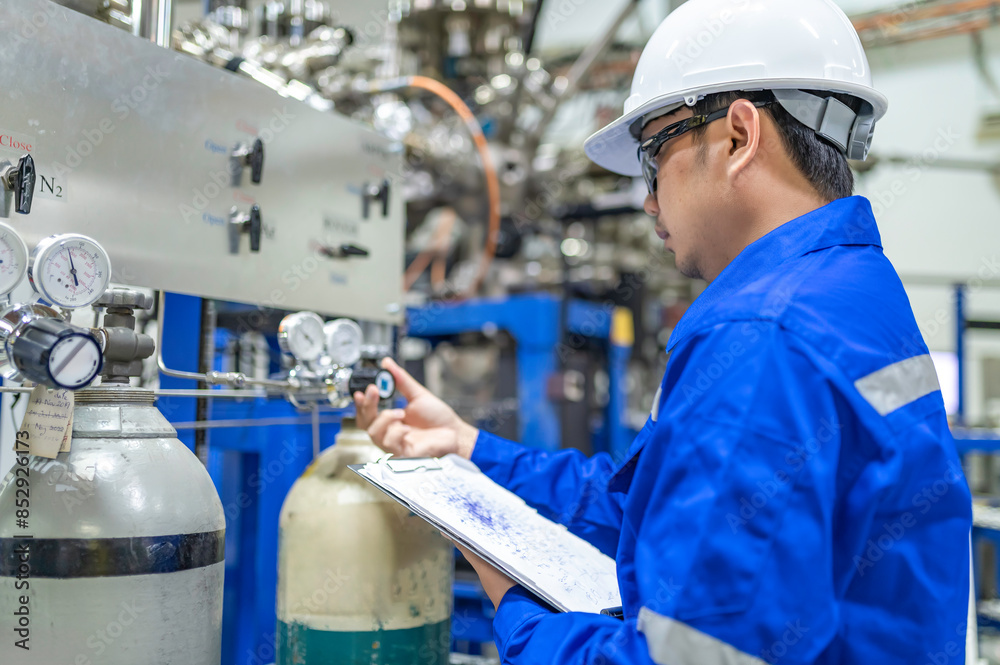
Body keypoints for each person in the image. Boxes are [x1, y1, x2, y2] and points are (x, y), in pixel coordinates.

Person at [356, 0, 973, 662]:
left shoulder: (761, 335)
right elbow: (647, 512)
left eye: (654, 153)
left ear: (738, 136)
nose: (648, 198)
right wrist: (472, 447)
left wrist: (516, 605)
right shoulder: (854, 289)